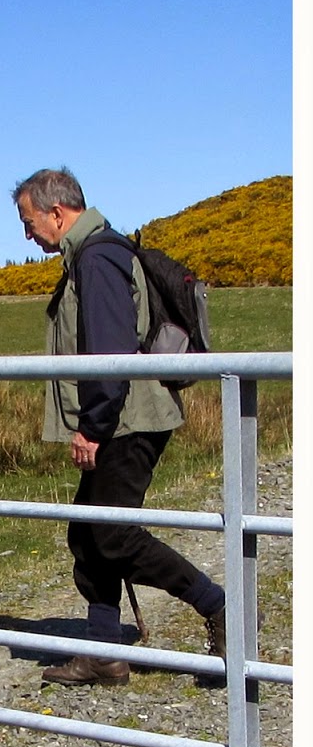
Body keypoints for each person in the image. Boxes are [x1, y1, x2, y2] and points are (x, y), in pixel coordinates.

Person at [12, 169, 227, 687]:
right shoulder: (95, 255)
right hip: (125, 415)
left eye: (28, 221)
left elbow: (108, 352)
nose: (27, 233)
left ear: (56, 214)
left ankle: (223, 610)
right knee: (88, 533)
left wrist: (92, 427)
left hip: (128, 419)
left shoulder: (97, 258)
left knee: (112, 534)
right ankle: (105, 651)